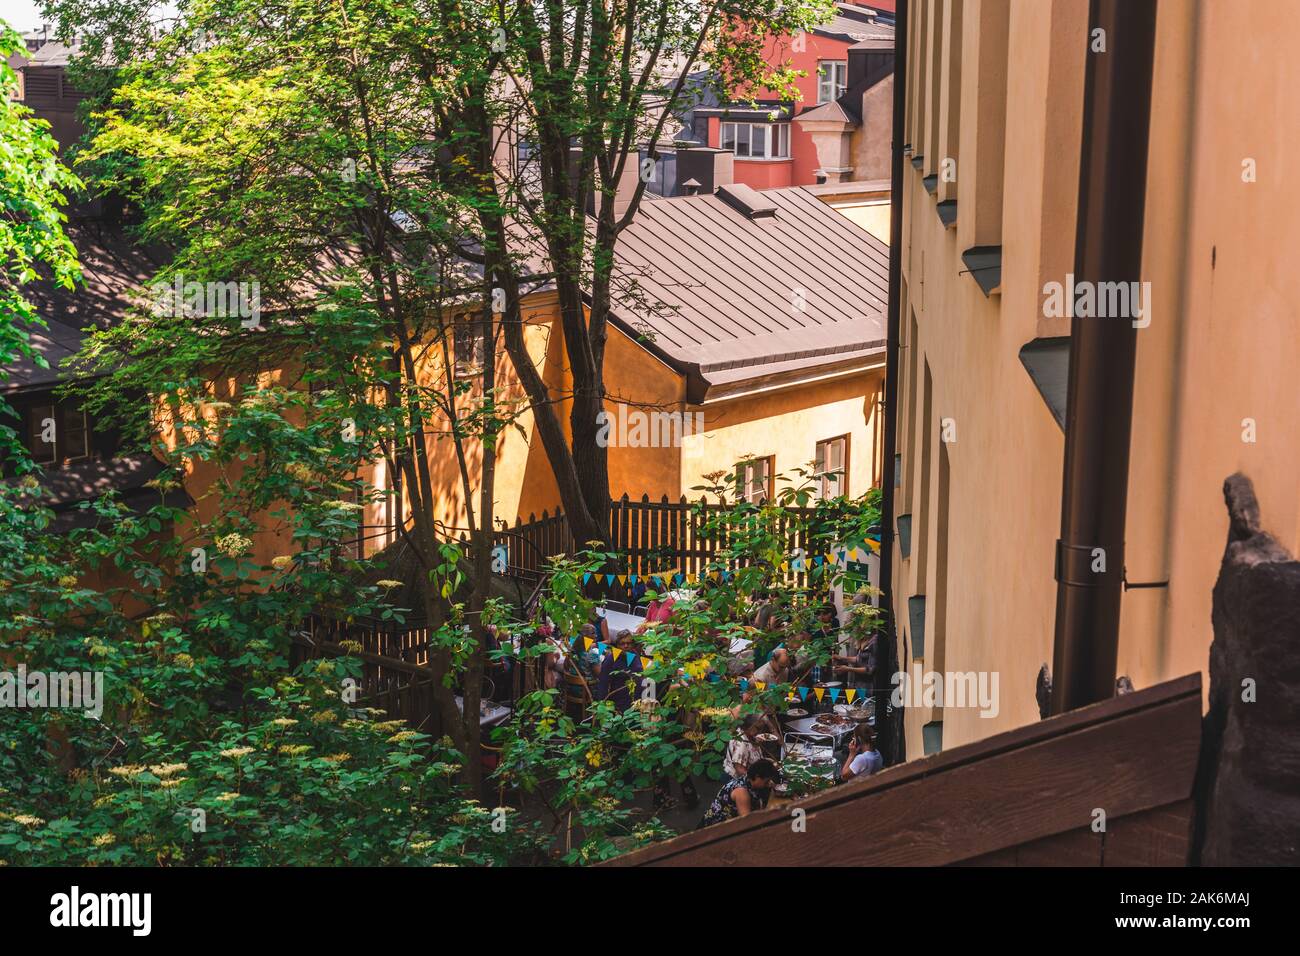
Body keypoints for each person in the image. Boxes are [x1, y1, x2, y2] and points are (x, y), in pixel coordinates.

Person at [699, 759, 780, 827]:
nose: (769, 783)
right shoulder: (742, 793)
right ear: (757, 777)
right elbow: (748, 823)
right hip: (715, 828)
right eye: (766, 781)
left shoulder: (747, 779)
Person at [596, 629, 638, 711]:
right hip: (618, 699)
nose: (626, 646)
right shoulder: (611, 659)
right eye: (622, 644)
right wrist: (602, 706)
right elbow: (603, 684)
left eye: (628, 643)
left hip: (636, 697)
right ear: (617, 645)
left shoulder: (635, 655)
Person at [722, 714, 765, 782]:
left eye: (762, 728)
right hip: (735, 779)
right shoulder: (741, 742)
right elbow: (739, 769)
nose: (760, 731)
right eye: (758, 728)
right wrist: (757, 780)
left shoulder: (749, 734)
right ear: (750, 725)